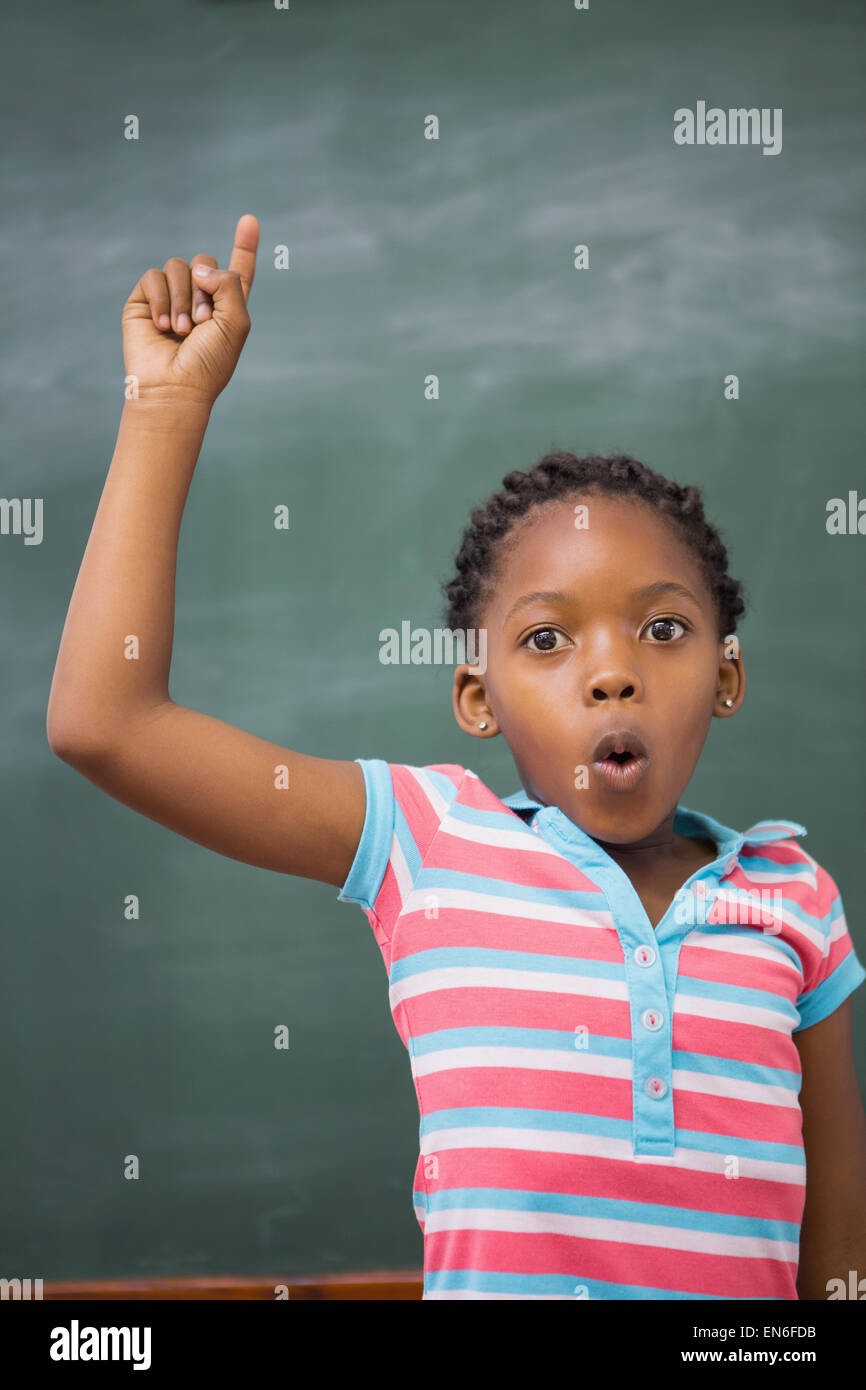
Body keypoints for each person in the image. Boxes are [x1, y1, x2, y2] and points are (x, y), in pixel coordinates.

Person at [47, 214, 866, 1301]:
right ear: (476, 700)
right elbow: (106, 721)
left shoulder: (792, 900)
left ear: (725, 673)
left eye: (661, 629)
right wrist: (164, 405)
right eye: (544, 639)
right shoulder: (426, 843)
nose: (609, 673)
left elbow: (839, 1264)